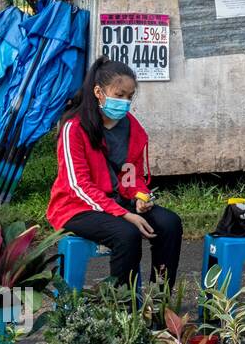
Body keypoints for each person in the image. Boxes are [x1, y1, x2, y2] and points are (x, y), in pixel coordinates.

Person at [47, 57, 183, 287]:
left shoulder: (132, 127)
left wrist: (140, 197)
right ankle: (123, 304)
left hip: (118, 202)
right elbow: (78, 185)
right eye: (119, 95)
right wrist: (124, 214)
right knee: (127, 234)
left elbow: (132, 176)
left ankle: (158, 296)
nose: (125, 102)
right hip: (77, 207)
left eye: (130, 96)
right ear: (98, 92)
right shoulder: (74, 128)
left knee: (170, 223)